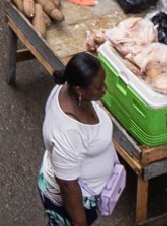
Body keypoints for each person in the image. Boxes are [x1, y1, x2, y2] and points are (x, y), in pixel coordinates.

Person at [38, 52, 119, 226]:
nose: (105, 88)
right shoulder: (68, 132)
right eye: (99, 86)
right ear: (79, 89)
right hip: (75, 199)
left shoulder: (69, 88)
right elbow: (67, 186)